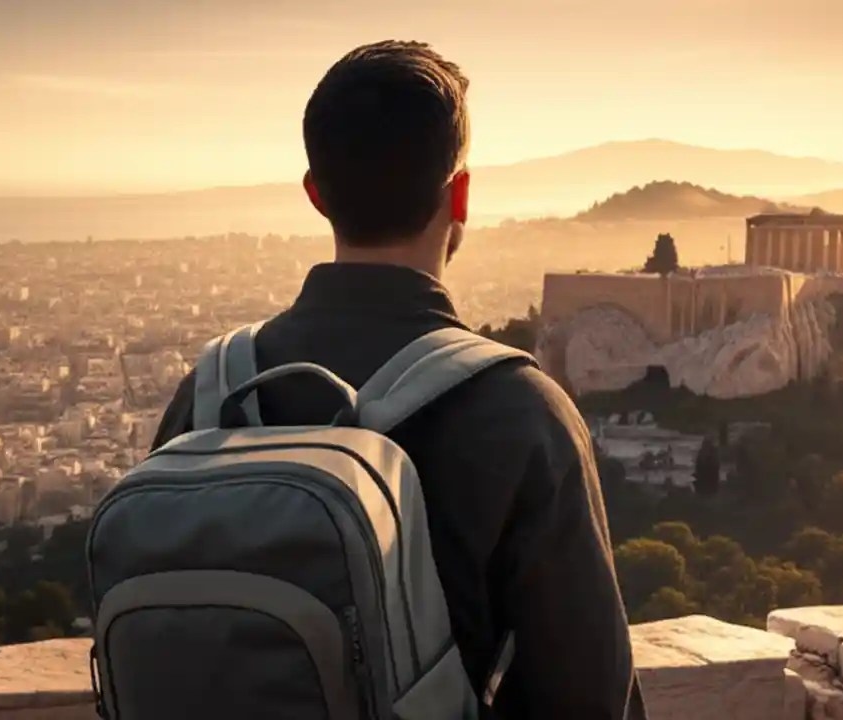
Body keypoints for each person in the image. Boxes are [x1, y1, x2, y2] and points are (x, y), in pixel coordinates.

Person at [150, 40, 648, 720]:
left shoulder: (208, 395)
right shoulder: (519, 413)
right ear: (461, 195)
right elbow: (588, 694)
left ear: (316, 194)